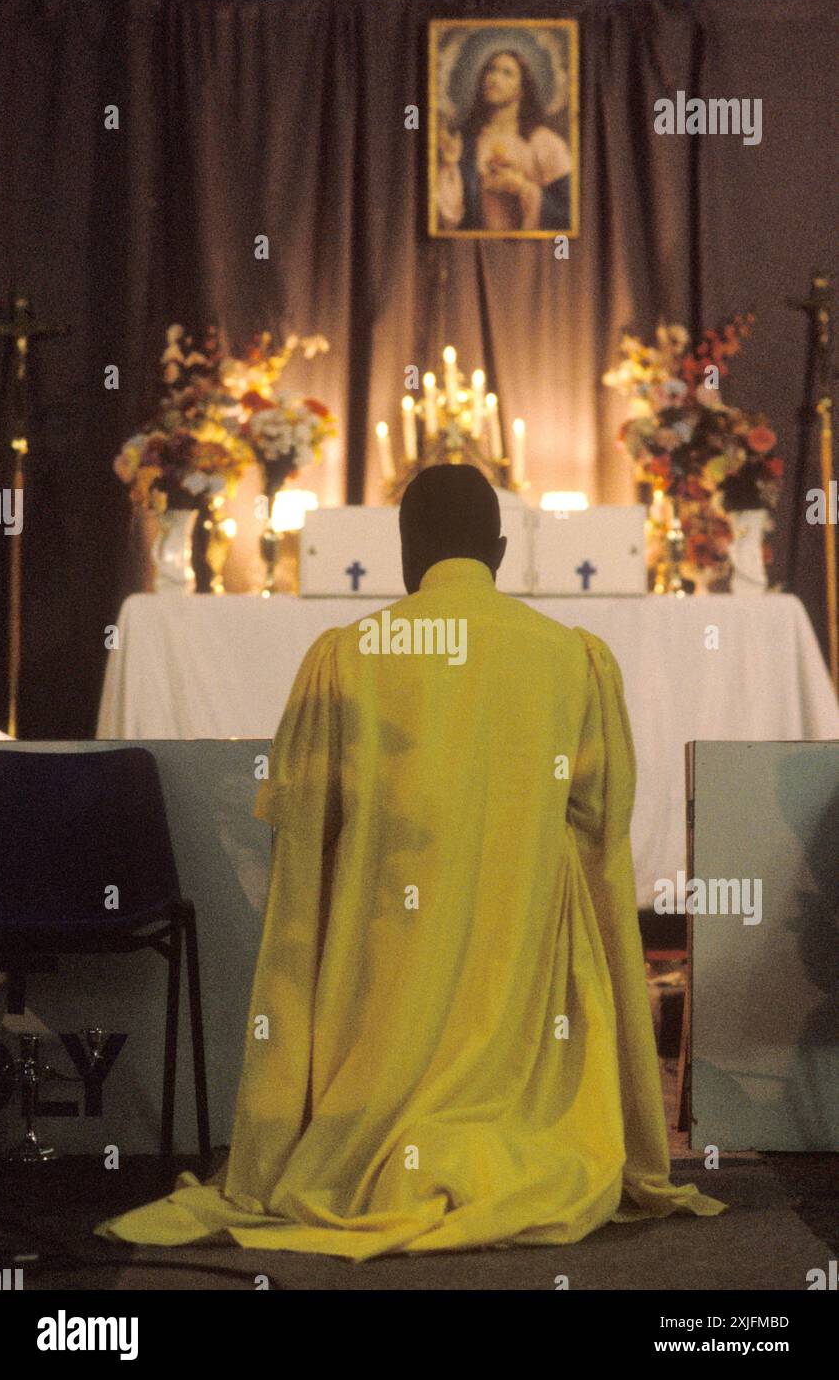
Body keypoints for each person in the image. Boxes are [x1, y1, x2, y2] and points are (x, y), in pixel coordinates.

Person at [95, 465, 725, 1260]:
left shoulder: (347, 655)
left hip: (384, 968)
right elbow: (603, 826)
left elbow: (299, 834)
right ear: (500, 550)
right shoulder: (572, 659)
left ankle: (366, 1140)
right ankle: (520, 1138)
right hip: (518, 959)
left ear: (404, 552)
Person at [436, 49, 572, 232]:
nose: (493, 78)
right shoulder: (466, 142)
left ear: (522, 89)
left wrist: (522, 188)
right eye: (491, 70)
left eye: (507, 73)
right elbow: (448, 221)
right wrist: (450, 164)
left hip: (534, 254)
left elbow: (568, 215)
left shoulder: (546, 142)